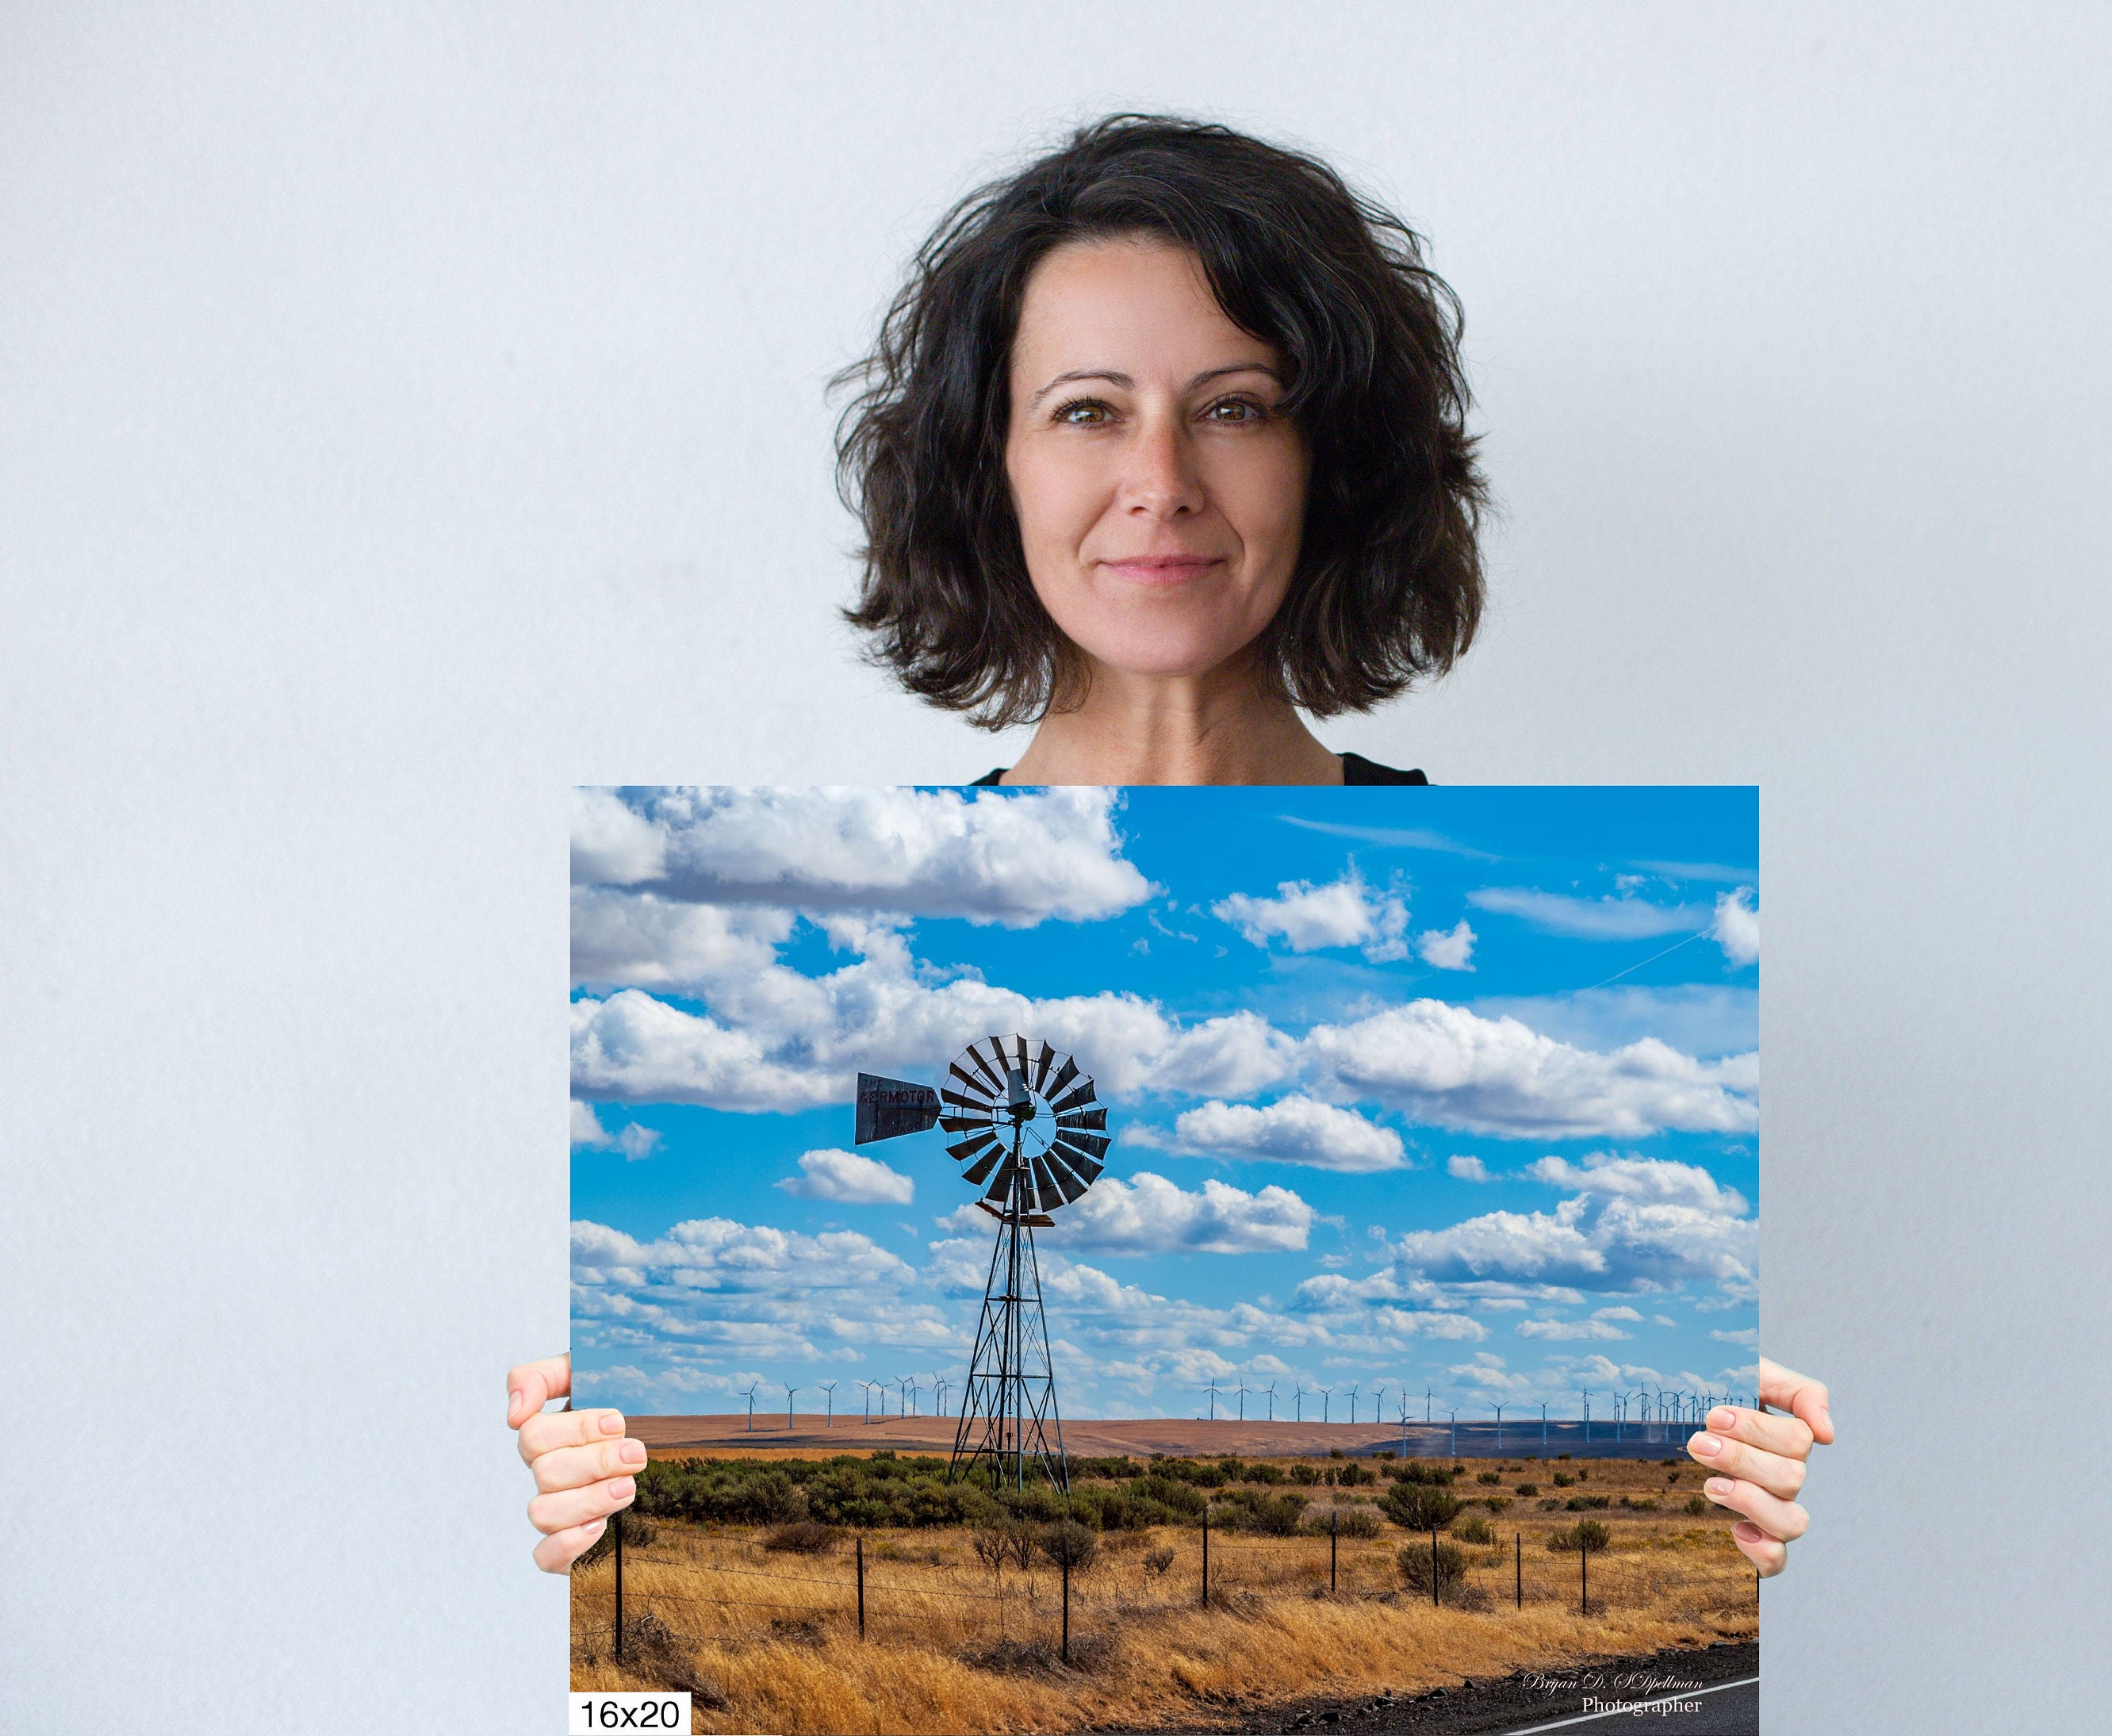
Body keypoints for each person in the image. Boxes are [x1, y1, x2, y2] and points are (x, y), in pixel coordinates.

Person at [517, 113, 1832, 1578]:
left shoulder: (1504, 876)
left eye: (1236, 406)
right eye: (1086, 409)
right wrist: (609, 1544)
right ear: (990, 465)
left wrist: (1737, 1501)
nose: (1161, 480)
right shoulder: (865, 869)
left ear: (1332, 463)